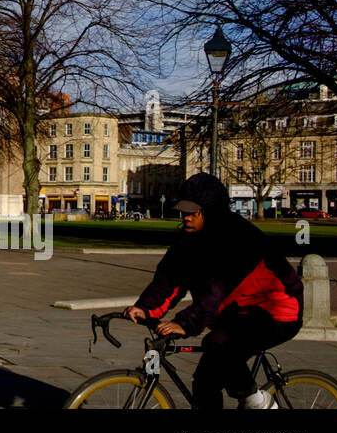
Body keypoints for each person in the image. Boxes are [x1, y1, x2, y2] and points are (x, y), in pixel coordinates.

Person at [123, 173, 303, 409]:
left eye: (193, 211)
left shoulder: (236, 238)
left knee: (219, 342)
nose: (187, 217)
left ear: (210, 211)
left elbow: (215, 290)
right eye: (184, 211)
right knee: (205, 382)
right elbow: (169, 278)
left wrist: (185, 324)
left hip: (276, 310)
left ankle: (258, 402)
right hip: (237, 310)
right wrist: (145, 308)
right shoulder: (188, 237)